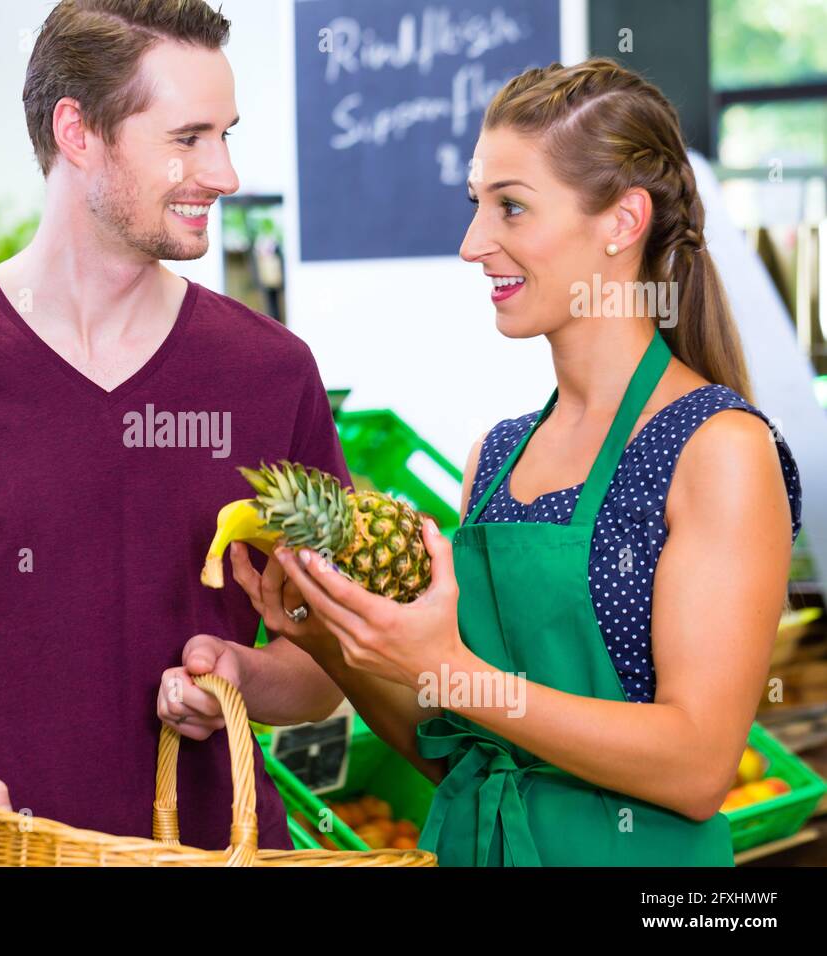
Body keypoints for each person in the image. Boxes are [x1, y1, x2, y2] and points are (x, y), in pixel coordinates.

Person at [0, 0, 347, 865]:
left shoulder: (272, 374)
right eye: (189, 138)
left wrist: (245, 679)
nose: (227, 173)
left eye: (227, 134)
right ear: (78, 132)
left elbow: (321, 669)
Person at [248, 58, 803, 866]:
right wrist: (334, 638)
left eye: (511, 206)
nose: (475, 244)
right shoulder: (498, 456)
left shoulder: (717, 449)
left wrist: (451, 668)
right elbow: (460, 758)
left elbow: (697, 766)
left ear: (622, 221)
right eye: (476, 205)